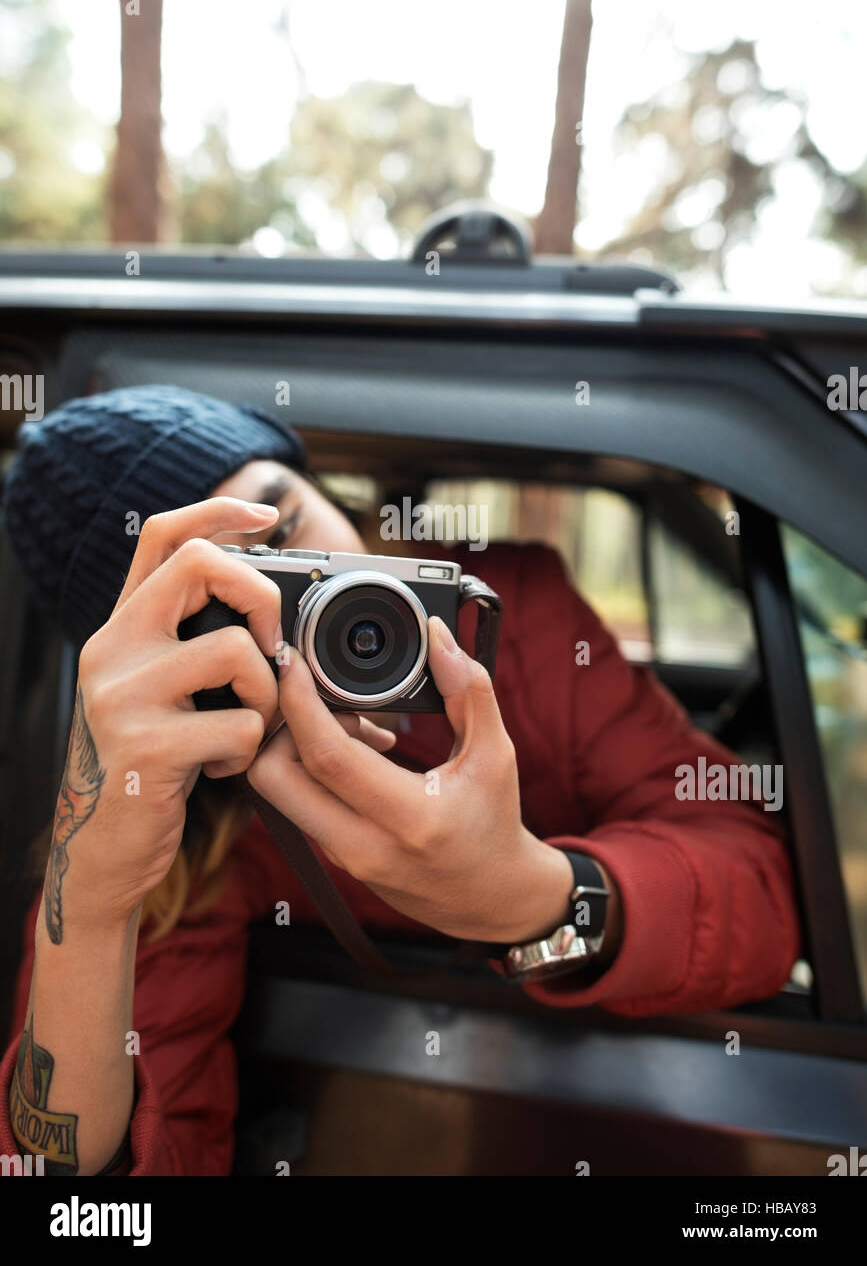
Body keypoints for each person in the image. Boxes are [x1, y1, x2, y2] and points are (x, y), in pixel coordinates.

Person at [0, 385, 800, 1176]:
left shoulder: (509, 616)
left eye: (291, 529)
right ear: (158, 666)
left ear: (328, 492)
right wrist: (96, 904)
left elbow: (756, 884)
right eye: (225, 598)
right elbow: (91, 1187)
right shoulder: (194, 815)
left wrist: (531, 897)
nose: (311, 601)